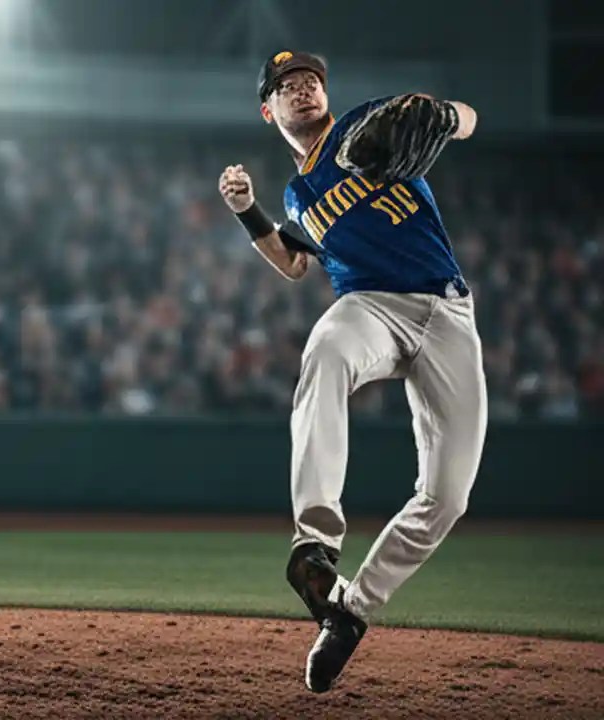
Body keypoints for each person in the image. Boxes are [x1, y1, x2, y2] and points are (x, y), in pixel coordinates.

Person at [216, 50, 484, 693]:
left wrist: (447, 113)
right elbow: (294, 263)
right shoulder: (296, 193)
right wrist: (249, 211)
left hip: (447, 309)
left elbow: (467, 120)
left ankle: (349, 613)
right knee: (328, 349)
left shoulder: (362, 127)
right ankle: (313, 543)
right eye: (287, 85)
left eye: (311, 80)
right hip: (370, 307)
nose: (303, 89)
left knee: (447, 497)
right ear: (268, 108)